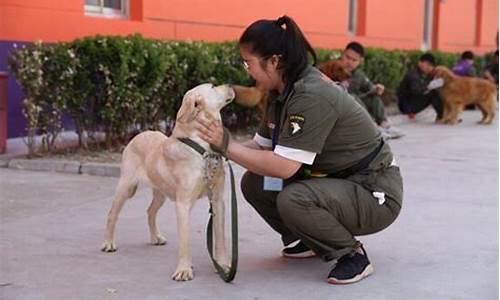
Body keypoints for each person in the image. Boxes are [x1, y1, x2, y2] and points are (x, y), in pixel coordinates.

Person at [196, 16, 403, 284]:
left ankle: (352, 255)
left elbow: (284, 167)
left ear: (273, 61)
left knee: (293, 198)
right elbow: (260, 147)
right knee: (256, 183)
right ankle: (308, 239)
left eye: (249, 63)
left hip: (374, 191)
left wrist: (226, 144)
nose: (247, 70)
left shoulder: (310, 95)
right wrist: (214, 149)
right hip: (338, 182)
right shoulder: (281, 91)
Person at [338, 42, 404, 139]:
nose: (350, 62)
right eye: (347, 57)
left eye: (354, 60)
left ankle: (384, 124)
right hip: (341, 105)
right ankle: (372, 127)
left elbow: (370, 87)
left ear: (359, 61)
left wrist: (377, 89)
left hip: (356, 105)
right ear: (342, 54)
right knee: (352, 97)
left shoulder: (359, 75)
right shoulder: (332, 68)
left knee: (373, 97)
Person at [397, 53, 443, 121]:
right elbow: (416, 91)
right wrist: (429, 86)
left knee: (436, 92)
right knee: (433, 93)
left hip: (412, 102)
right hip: (406, 106)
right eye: (427, 64)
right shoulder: (413, 74)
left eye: (430, 66)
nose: (429, 68)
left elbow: (424, 87)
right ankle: (442, 116)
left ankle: (443, 115)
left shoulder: (424, 74)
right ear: (420, 63)